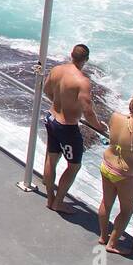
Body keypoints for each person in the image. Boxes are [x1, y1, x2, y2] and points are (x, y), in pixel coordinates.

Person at [41, 44, 106, 214]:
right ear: (86, 60)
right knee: (74, 166)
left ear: (71, 55)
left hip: (51, 118)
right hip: (67, 126)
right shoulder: (82, 81)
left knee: (51, 159)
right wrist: (98, 127)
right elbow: (88, 110)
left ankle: (50, 198)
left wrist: (58, 102)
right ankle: (58, 202)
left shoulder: (56, 70)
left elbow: (46, 89)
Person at [97, 93, 133, 255]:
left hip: (106, 165)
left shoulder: (116, 116)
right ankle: (112, 244)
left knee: (106, 203)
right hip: (125, 174)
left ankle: (103, 236)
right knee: (127, 210)